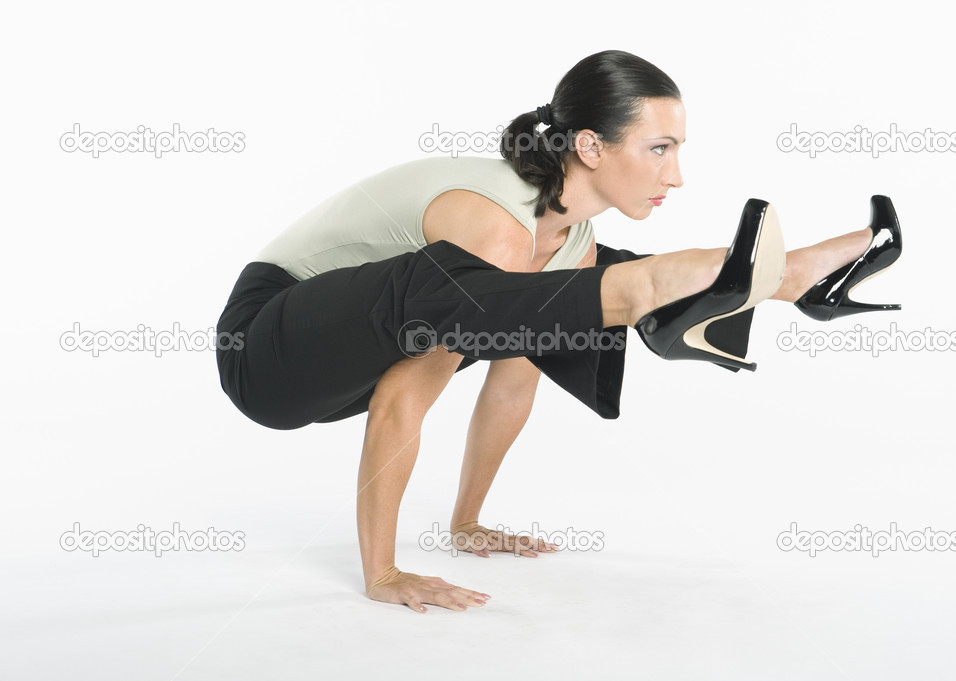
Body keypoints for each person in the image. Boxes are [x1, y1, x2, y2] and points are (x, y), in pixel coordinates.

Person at [215, 50, 901, 614]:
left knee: (564, 291)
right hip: (267, 346)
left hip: (344, 372)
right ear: (589, 147)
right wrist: (383, 572)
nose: (676, 175)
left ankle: (783, 280)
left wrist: (466, 522)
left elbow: (510, 388)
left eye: (678, 149)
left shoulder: (570, 241)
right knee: (526, 288)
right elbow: (403, 399)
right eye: (658, 148)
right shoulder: (495, 225)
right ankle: (714, 288)